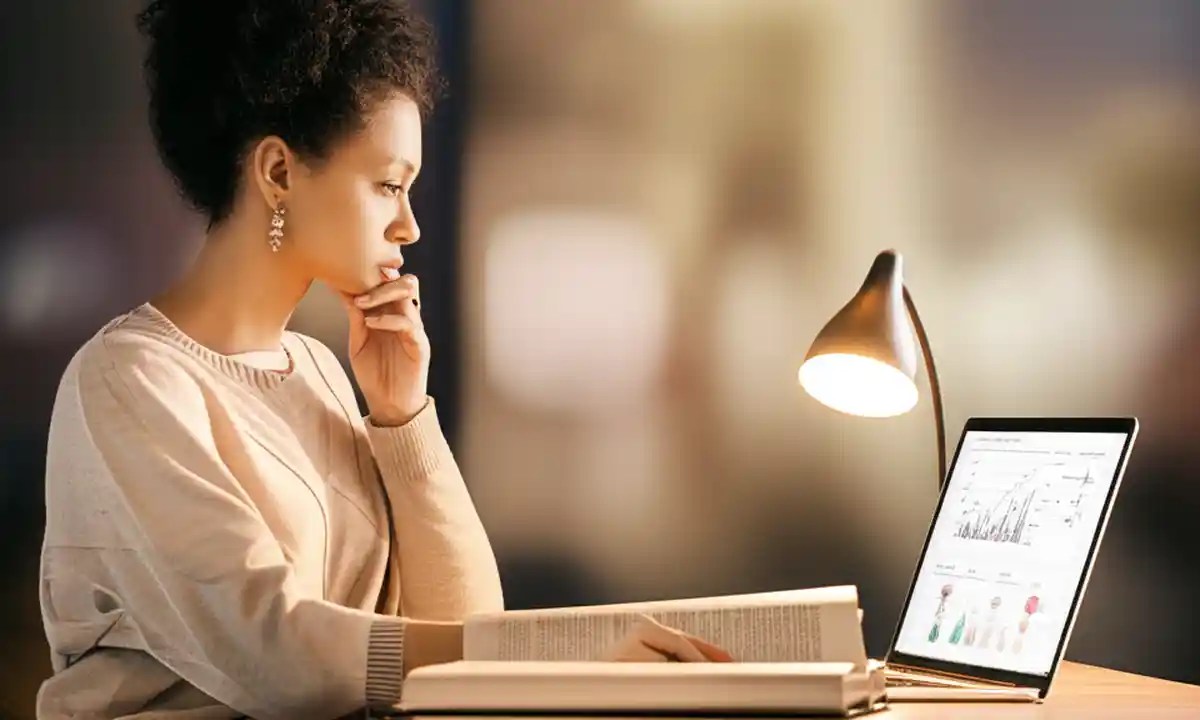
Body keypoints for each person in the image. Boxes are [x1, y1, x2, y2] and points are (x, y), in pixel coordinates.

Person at [36, 2, 728, 718]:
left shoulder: (320, 372)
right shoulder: (130, 383)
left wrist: (402, 418)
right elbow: (278, 653)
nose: (410, 223)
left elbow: (467, 625)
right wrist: (559, 652)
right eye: (388, 185)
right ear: (277, 170)